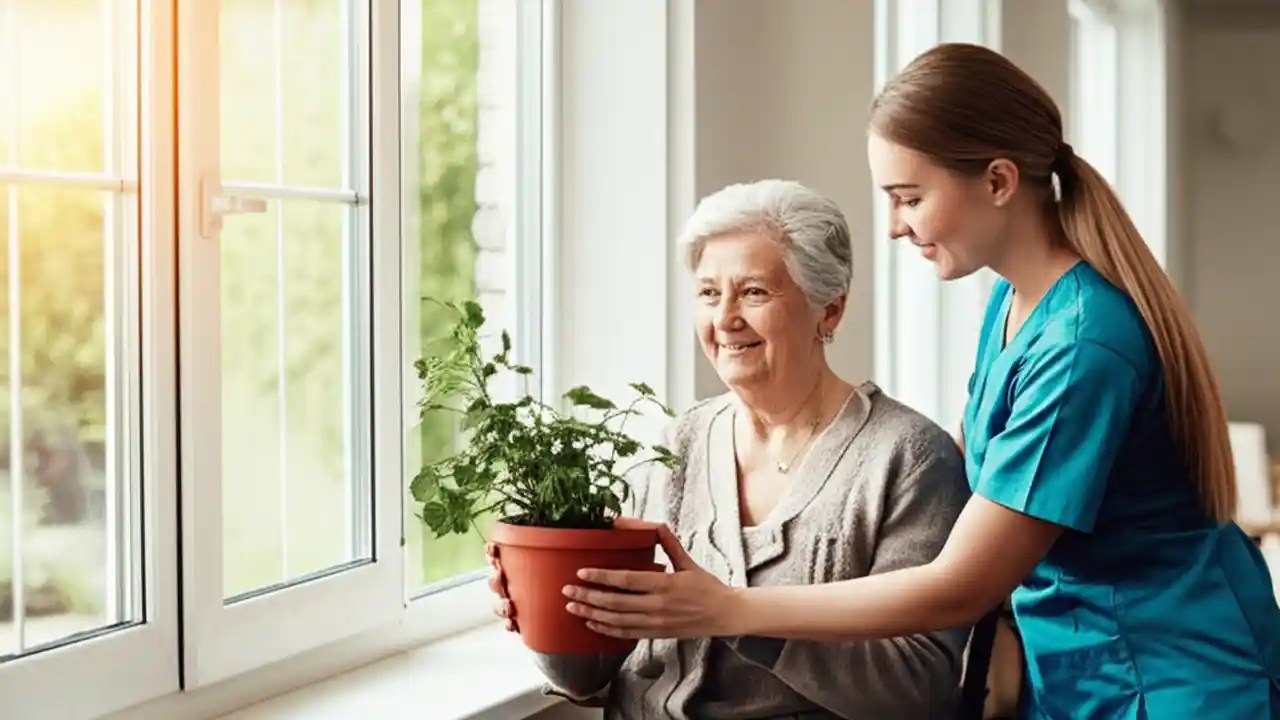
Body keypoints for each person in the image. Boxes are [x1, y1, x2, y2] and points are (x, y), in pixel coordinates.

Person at [560, 43, 1280, 719]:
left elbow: (961, 586)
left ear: (998, 181)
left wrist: (728, 608)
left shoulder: (1083, 344)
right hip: (1079, 666)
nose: (895, 227)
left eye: (909, 197)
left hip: (1170, 675)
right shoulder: (1014, 303)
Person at [488, 179, 974, 718]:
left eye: (754, 292)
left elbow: (920, 689)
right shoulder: (675, 446)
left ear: (829, 310)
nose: (725, 319)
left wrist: (740, 617)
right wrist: (550, 618)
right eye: (708, 293)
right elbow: (592, 676)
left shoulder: (907, 458)